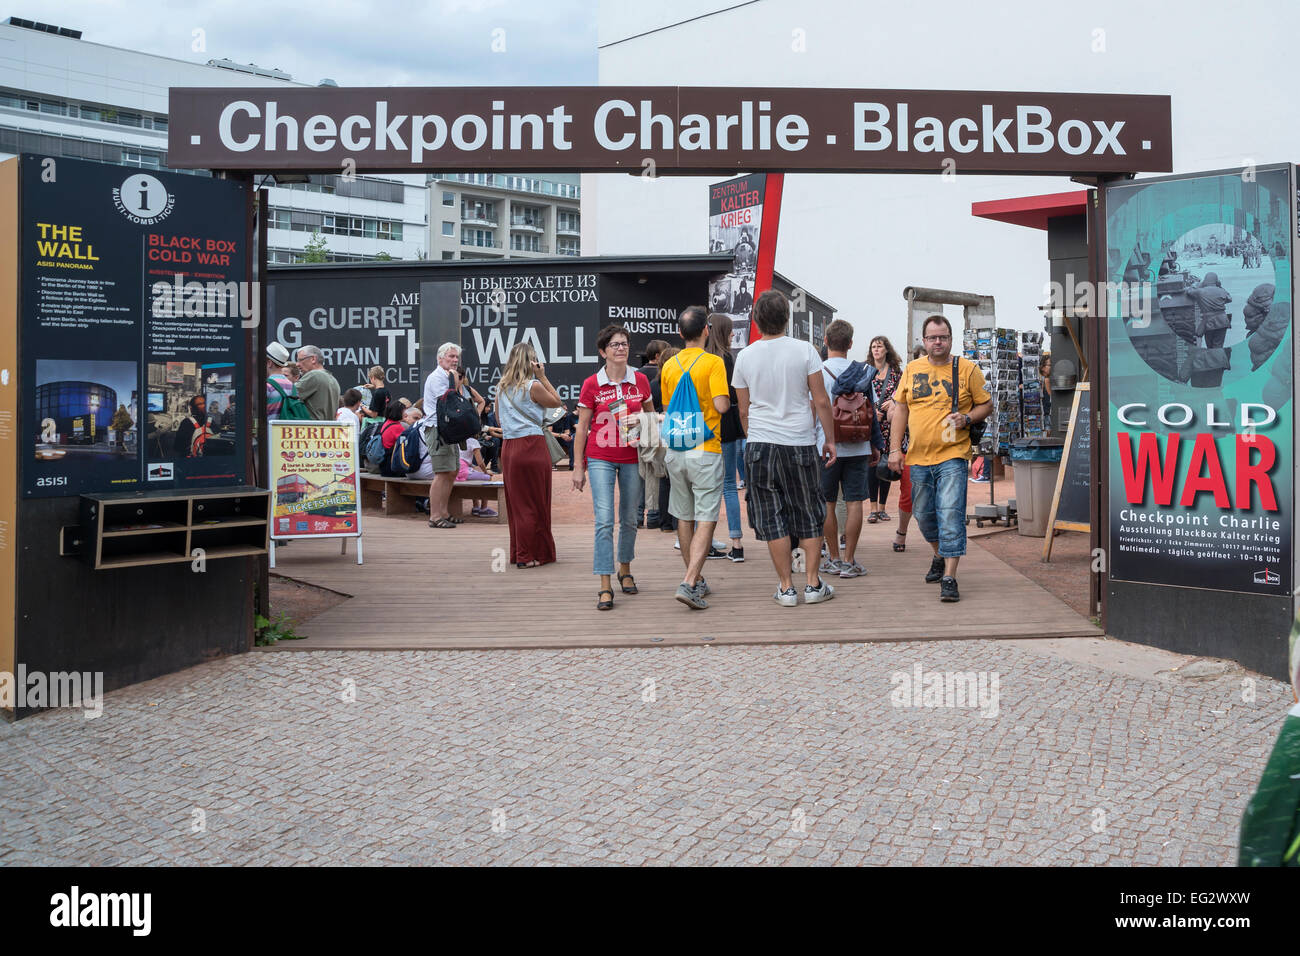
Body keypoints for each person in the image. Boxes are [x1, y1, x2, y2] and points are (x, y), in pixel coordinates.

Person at [732, 289, 838, 607]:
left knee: (771, 516)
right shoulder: (805, 350)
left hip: (761, 443)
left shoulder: (746, 356)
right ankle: (813, 584)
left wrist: (754, 436)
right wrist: (829, 440)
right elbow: (821, 400)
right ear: (787, 318)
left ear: (756, 320)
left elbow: (743, 409)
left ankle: (786, 587)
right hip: (800, 443)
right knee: (809, 513)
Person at [888, 314, 993, 603]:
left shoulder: (967, 370)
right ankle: (938, 554)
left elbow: (986, 405)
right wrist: (894, 449)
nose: (938, 342)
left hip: (954, 455)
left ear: (951, 338)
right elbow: (901, 410)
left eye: (943, 337)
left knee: (950, 513)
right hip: (919, 456)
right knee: (923, 516)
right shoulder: (912, 369)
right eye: (933, 337)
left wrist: (968, 417)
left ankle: (950, 577)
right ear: (924, 341)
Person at [572, 324, 655, 610]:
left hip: (633, 457)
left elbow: (653, 418)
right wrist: (577, 467)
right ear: (602, 351)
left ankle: (625, 568)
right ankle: (605, 585)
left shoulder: (640, 381)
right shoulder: (591, 384)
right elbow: (582, 428)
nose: (621, 348)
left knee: (631, 518)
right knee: (604, 520)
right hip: (600, 457)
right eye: (615, 345)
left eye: (625, 344)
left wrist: (642, 421)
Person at [658, 306, 730, 609]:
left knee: (683, 516)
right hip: (706, 448)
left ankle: (696, 580)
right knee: (706, 518)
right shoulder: (713, 362)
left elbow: (666, 406)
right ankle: (689, 582)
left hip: (676, 449)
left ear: (679, 333)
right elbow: (722, 405)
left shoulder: (669, 365)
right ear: (706, 331)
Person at [818, 319, 883, 579]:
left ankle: (832, 558)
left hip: (824, 445)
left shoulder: (817, 370)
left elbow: (812, 408)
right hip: (858, 445)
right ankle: (849, 560)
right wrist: (876, 445)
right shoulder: (863, 371)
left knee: (828, 502)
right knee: (855, 502)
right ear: (850, 344)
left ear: (825, 342)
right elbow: (873, 412)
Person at [496, 341, 562, 567]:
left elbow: (498, 419)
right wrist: (543, 376)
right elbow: (557, 403)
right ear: (531, 362)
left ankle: (519, 553)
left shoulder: (501, 387)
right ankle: (531, 555)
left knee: (517, 503)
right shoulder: (533, 385)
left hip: (509, 447)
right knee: (535, 502)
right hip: (532, 445)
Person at [705, 312, 746, 562]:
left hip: (707, 425)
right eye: (730, 330)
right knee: (730, 485)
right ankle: (737, 543)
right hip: (730, 424)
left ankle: (706, 541)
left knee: (708, 488)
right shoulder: (731, 359)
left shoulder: (705, 359)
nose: (733, 334)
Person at [419, 343, 469, 529]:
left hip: (448, 431)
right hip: (437, 430)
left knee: (452, 471)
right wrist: (456, 382)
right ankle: (434, 516)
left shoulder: (447, 376)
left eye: (456, 357)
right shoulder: (438, 378)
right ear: (440, 358)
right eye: (451, 356)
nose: (455, 360)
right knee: (441, 473)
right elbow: (449, 402)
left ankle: (444, 512)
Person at [865, 335, 902, 524]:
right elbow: (859, 396)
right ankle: (872, 508)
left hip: (889, 425)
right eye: (873, 347)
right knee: (872, 463)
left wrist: (893, 402)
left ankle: (882, 507)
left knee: (886, 463)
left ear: (887, 349)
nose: (876, 350)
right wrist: (872, 411)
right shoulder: (866, 371)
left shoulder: (896, 373)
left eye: (879, 346)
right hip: (872, 425)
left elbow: (903, 394)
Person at [637, 339, 670, 529]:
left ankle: (637, 516)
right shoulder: (663, 376)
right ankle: (654, 517)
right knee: (658, 472)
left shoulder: (637, 375)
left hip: (642, 426)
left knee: (643, 473)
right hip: (660, 426)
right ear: (658, 356)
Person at [1186, 272, 1233, 349]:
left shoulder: (1200, 291)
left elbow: (1189, 291)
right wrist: (1220, 287)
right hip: (1222, 321)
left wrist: (1196, 285)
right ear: (1216, 281)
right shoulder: (1221, 291)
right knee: (1218, 345)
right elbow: (1229, 299)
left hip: (1209, 322)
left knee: (1210, 345)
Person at [293, 345, 340, 421]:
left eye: (300, 360)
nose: (297, 364)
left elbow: (288, 394)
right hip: (328, 430)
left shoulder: (314, 375)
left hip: (312, 430)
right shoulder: (333, 380)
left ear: (313, 359)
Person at [265, 342, 295, 424]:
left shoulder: (268, 385)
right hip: (285, 433)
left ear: (269, 363)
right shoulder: (292, 386)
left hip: (269, 433)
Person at [377, 401, 407, 477]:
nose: (405, 414)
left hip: (384, 465)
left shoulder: (387, 423)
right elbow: (406, 444)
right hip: (392, 467)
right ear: (398, 412)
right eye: (404, 411)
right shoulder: (397, 427)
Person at [548, 402, 577, 470]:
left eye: (566, 410)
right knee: (550, 440)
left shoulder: (566, 418)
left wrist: (567, 436)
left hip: (562, 438)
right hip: (554, 439)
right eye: (564, 410)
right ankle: (552, 464)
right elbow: (549, 433)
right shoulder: (552, 418)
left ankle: (572, 465)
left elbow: (567, 431)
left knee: (572, 440)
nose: (566, 412)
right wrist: (561, 435)